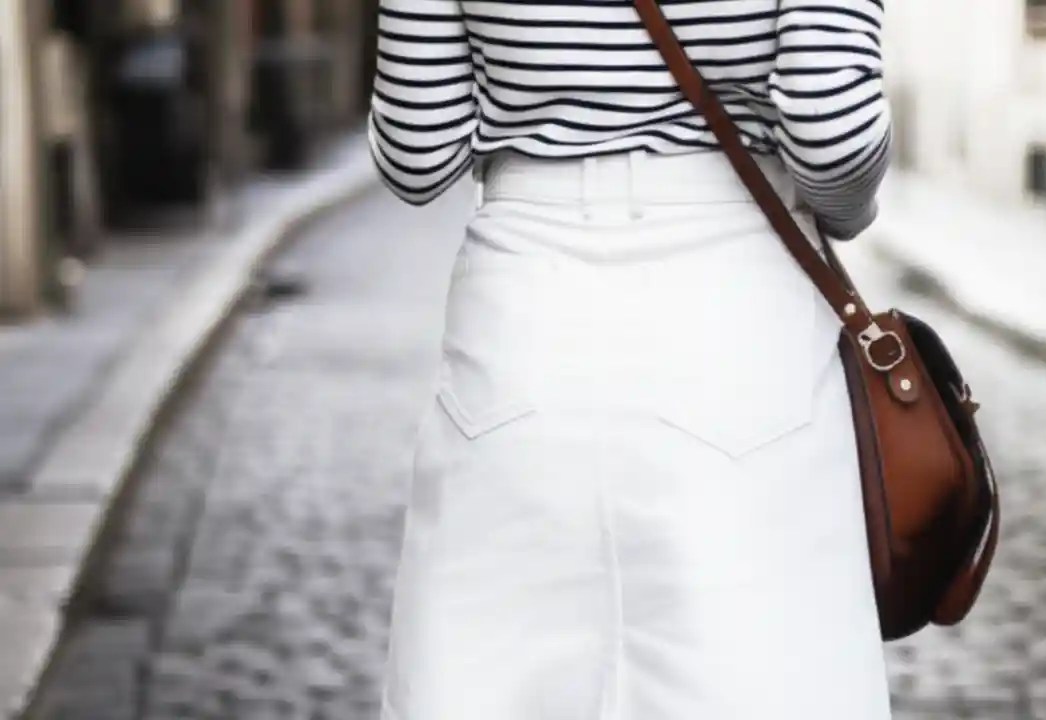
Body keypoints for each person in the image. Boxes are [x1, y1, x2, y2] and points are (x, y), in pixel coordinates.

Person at [369, 0, 893, 717]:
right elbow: (833, 135)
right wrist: (842, 209)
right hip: (739, 321)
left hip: (522, 318)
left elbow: (415, 151)